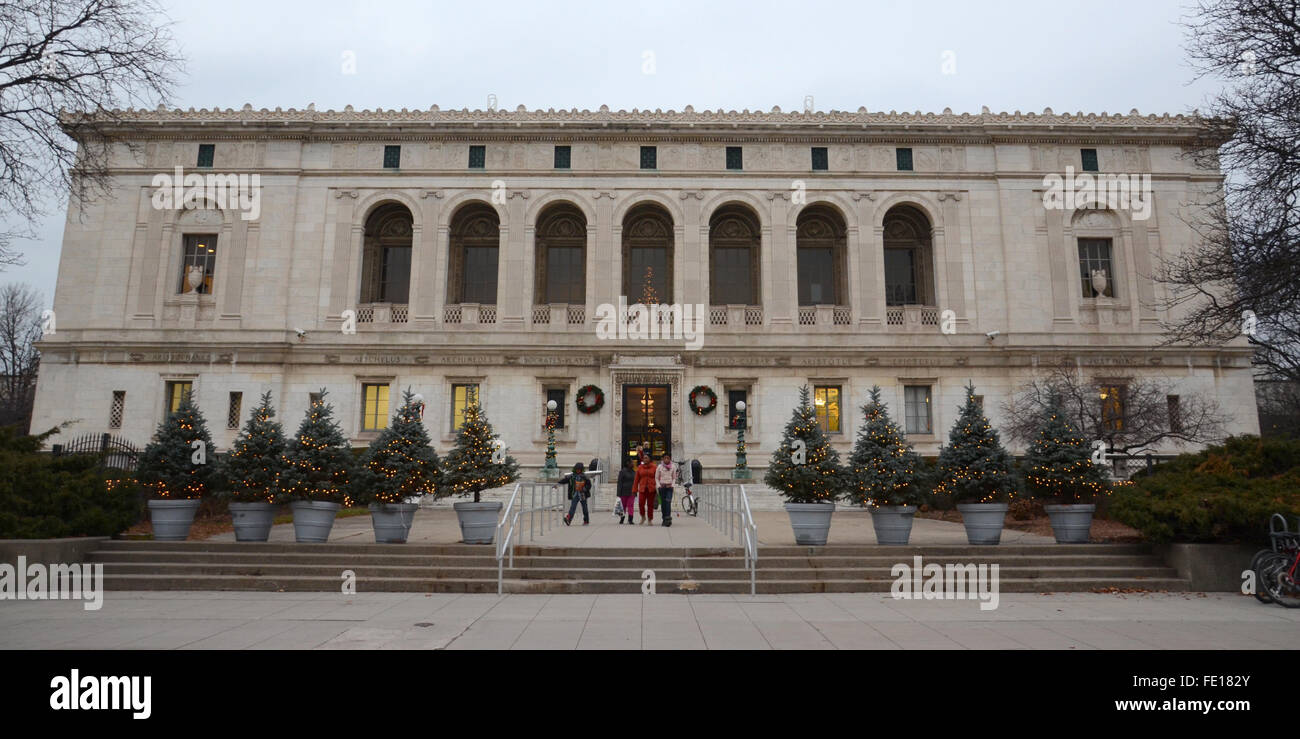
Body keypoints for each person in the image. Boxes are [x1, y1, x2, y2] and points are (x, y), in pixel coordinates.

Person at [556, 462, 593, 526]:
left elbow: (589, 485)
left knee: (584, 508)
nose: (577, 470)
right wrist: (558, 484)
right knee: (572, 507)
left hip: (582, 494)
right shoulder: (572, 476)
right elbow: (565, 480)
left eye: (579, 469)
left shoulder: (585, 476)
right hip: (575, 494)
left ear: (581, 469)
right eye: (577, 469)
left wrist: (584, 488)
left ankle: (586, 521)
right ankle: (568, 519)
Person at [655, 452, 680, 527]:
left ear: (670, 459)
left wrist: (672, 485)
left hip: (669, 487)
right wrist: (659, 486)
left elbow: (674, 478)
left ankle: (668, 518)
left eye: (668, 458)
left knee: (668, 502)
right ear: (662, 459)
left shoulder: (673, 466)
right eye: (665, 458)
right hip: (662, 487)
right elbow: (656, 477)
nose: (666, 459)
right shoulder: (659, 467)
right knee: (663, 504)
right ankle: (664, 519)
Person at [633, 450, 657, 525]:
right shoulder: (640, 467)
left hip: (651, 489)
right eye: (644, 458)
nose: (645, 459)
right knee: (641, 503)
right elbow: (636, 480)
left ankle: (650, 519)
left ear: (650, 458)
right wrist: (634, 489)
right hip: (642, 489)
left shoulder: (654, 467)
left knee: (650, 505)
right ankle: (643, 517)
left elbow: (657, 477)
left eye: (646, 458)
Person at [616, 457, 636, 524]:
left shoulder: (634, 472)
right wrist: (618, 493)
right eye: (632, 462)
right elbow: (619, 483)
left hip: (632, 492)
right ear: (628, 463)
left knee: (631, 505)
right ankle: (622, 519)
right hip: (623, 492)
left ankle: (630, 519)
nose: (633, 463)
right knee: (623, 506)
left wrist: (635, 491)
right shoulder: (622, 471)